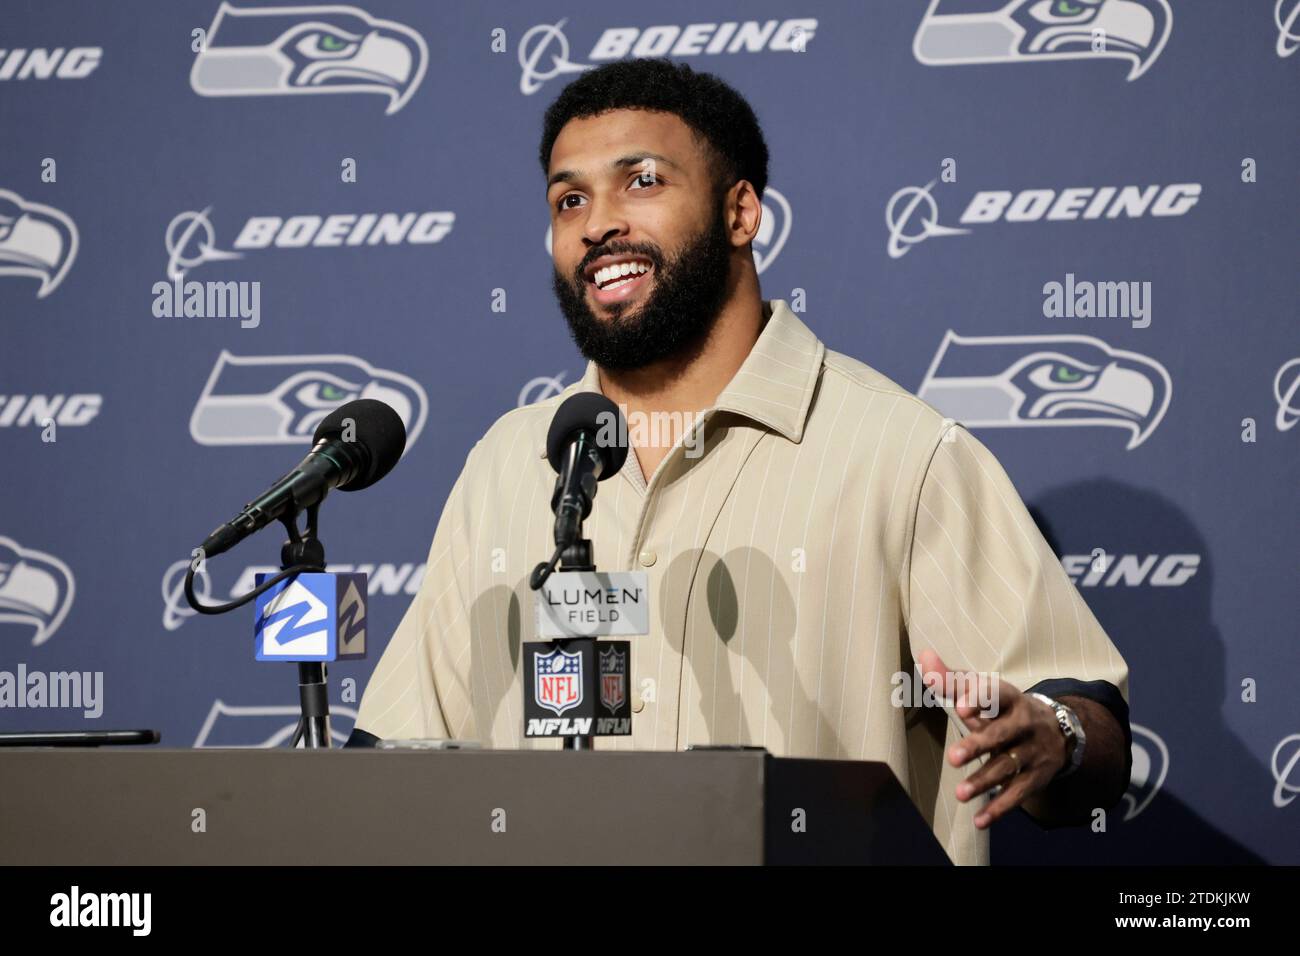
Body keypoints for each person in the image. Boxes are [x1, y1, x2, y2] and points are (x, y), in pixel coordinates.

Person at [349, 58, 1131, 865]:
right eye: (569, 199)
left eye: (641, 181)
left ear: (741, 212)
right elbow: (393, 753)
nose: (597, 224)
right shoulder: (508, 464)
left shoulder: (900, 452)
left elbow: (1088, 717)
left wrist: (1055, 734)